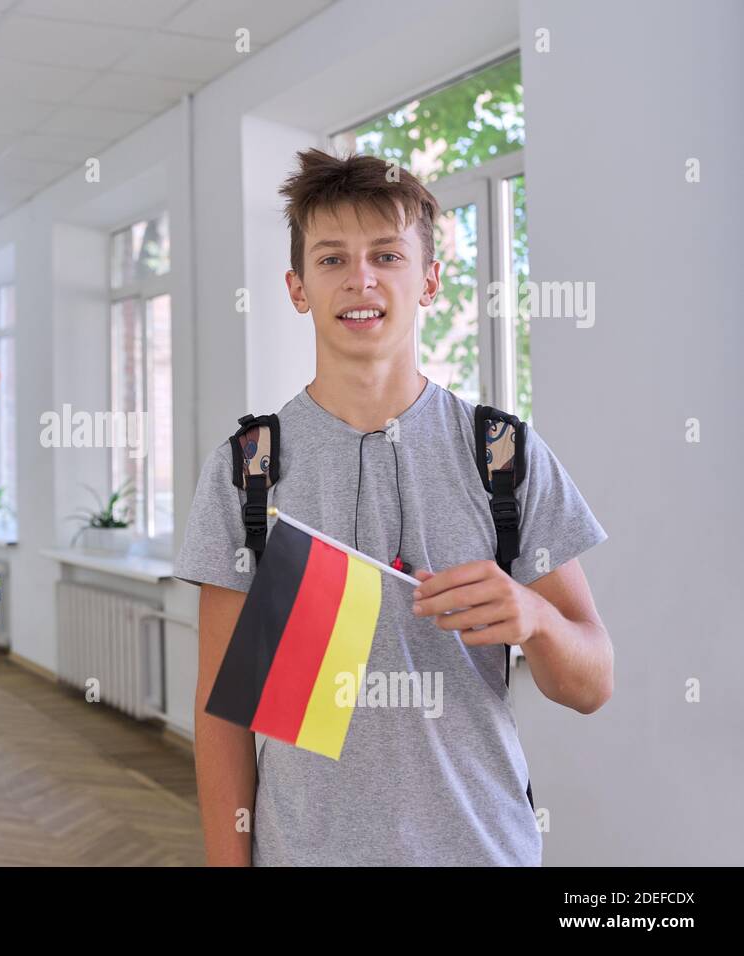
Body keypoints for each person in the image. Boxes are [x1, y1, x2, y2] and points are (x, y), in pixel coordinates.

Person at [175, 149, 613, 866]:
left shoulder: (502, 453)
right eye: (332, 259)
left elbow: (592, 683)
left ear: (430, 279)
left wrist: (533, 618)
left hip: (483, 850)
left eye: (387, 254)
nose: (362, 279)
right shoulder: (249, 469)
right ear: (297, 287)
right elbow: (223, 711)